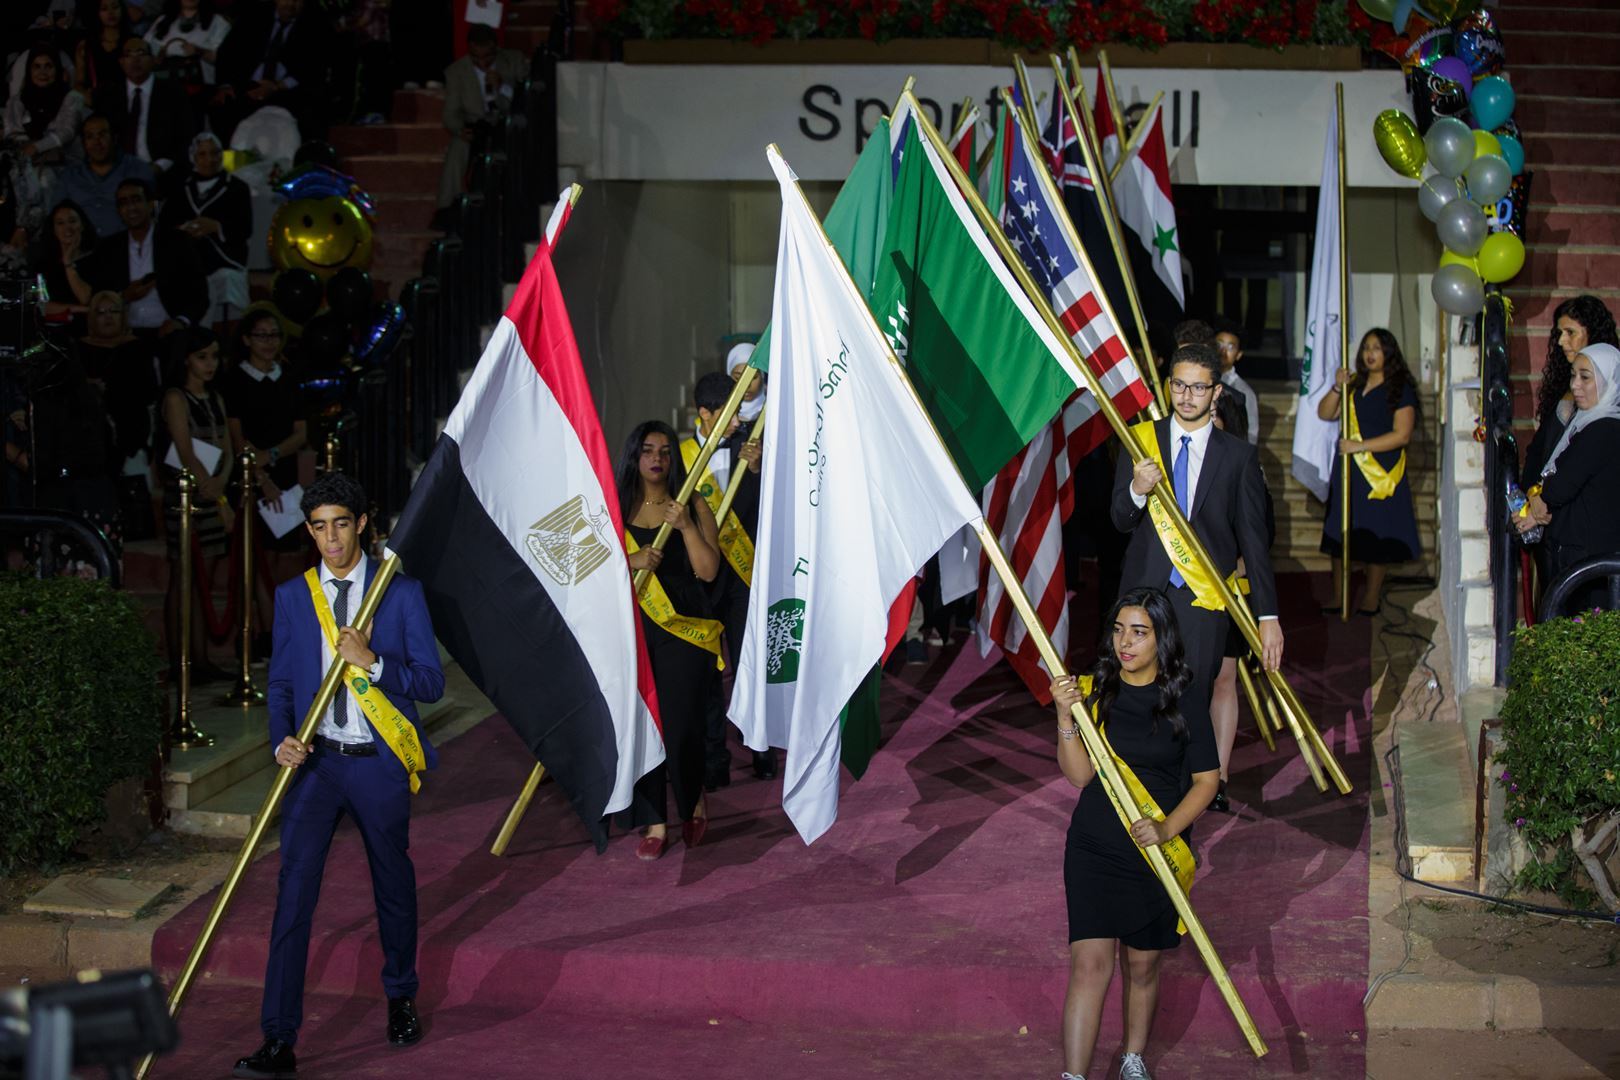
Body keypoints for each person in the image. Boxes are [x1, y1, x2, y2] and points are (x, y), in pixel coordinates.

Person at [232, 472, 443, 1079]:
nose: (330, 539)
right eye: (319, 527)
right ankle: (279, 1037)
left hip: (377, 763)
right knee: (292, 896)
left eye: (341, 524)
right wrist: (282, 742)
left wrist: (374, 663)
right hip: (317, 765)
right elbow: (279, 686)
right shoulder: (294, 596)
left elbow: (430, 683)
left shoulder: (398, 595)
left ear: (363, 525)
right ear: (309, 531)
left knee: (393, 886)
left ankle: (401, 996)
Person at [1049, 587, 1219, 1080]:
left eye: (1139, 632)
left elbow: (1208, 781)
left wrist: (1166, 828)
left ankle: (1133, 1059)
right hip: (1094, 847)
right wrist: (1065, 718)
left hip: (1155, 851)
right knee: (1089, 966)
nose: (1125, 642)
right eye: (1119, 630)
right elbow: (1080, 776)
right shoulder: (1095, 692)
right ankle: (1074, 1076)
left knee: (1143, 966)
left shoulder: (1185, 698)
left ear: (1161, 639)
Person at [1111, 341, 1282, 708]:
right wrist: (1137, 491)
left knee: (1192, 706)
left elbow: (1254, 541)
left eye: (1198, 387)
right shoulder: (1140, 441)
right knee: (1137, 704)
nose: (1187, 396)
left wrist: (1267, 615)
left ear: (1216, 391)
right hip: (1143, 594)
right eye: (1178, 385)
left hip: (1203, 600)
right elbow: (1120, 520)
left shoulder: (1238, 456)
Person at [615, 420, 723, 860]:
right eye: (647, 450)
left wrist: (686, 528)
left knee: (680, 725)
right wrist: (632, 559)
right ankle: (654, 818)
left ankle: (693, 799)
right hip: (634, 631)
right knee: (643, 725)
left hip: (684, 631)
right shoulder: (614, 506)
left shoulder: (692, 503)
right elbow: (592, 573)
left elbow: (710, 570)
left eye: (664, 451)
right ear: (634, 457)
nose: (656, 458)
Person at [682, 371, 767, 788]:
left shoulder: (749, 449)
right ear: (705, 414)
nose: (738, 422)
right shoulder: (678, 457)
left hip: (741, 576)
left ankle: (761, 747)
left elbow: (767, 508)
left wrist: (756, 471)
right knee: (706, 674)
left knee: (749, 664)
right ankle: (714, 758)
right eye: (730, 415)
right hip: (699, 580)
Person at [1317, 328, 1421, 616]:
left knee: (1378, 536)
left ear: (1389, 352)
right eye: (1366, 348)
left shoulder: (1400, 388)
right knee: (1341, 533)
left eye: (1376, 347)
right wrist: (1338, 387)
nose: (1370, 353)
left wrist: (1359, 447)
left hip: (1380, 474)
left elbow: (1402, 435)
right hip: (1349, 470)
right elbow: (1325, 414)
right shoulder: (1354, 385)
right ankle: (1339, 597)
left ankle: (1371, 598)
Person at [1207, 388, 1273, 812]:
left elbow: (1261, 538)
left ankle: (1219, 777)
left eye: (1214, 412)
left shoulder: (1244, 466)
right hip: (1181, 591)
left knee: (1223, 680)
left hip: (1228, 590)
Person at [1516, 344, 1620, 613]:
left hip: (1589, 557)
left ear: (1609, 381)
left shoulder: (1605, 428)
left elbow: (1562, 485)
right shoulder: (1585, 420)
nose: (1575, 385)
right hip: (1574, 553)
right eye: (1573, 375)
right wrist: (1537, 499)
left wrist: (1540, 503)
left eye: (1586, 377)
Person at [158, 325, 234, 681]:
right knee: (184, 575)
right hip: (187, 495)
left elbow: (228, 449)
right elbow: (184, 449)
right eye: (202, 357)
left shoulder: (216, 398)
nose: (210, 364)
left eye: (215, 357)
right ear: (186, 359)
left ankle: (200, 657)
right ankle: (180, 658)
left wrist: (221, 484)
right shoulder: (176, 397)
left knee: (204, 577)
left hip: (213, 491)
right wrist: (211, 488)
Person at [225, 307, 308, 594]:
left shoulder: (287, 375)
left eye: (274, 335)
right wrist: (261, 477)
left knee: (279, 556)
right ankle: (258, 629)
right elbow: (237, 437)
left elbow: (301, 432)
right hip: (250, 477)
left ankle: (273, 626)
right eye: (261, 335)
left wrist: (272, 454)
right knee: (254, 555)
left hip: (284, 471)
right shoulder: (234, 379)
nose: (269, 341)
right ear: (247, 340)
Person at [82, 176, 208, 334]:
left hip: (170, 331)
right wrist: (124, 297)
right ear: (119, 210)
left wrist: (180, 322)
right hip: (125, 335)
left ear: (150, 204)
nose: (131, 208)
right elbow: (99, 298)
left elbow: (199, 294)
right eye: (124, 203)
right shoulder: (108, 248)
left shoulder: (177, 241)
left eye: (136, 200)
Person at [159, 131, 252, 323]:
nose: (209, 159)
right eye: (202, 154)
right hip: (188, 258)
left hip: (222, 258)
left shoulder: (237, 188)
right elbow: (165, 224)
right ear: (193, 157)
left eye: (215, 153)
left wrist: (216, 226)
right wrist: (184, 229)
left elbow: (244, 228)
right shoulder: (180, 189)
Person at [1523, 295, 1618, 482]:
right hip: (1544, 496)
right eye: (1560, 333)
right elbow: (1540, 447)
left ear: (1593, 332)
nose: (1561, 341)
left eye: (1570, 332)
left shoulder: (1614, 388)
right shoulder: (1562, 383)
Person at [211, 0, 333, 143]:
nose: (290, 5)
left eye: (297, 0)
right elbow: (227, 53)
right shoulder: (254, 16)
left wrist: (276, 86)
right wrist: (226, 85)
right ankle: (230, 160)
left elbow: (314, 68)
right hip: (248, 85)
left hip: (287, 90)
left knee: (312, 110)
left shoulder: (315, 24)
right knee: (221, 105)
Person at [435, 24, 525, 213]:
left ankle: (520, 204)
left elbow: (527, 99)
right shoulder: (457, 72)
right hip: (477, 126)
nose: (482, 63)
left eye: (487, 57)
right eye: (476, 58)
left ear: (496, 49)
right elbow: (450, 113)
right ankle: (447, 208)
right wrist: (460, 129)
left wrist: (503, 86)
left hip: (507, 124)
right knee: (458, 147)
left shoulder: (513, 62)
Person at [92, 36, 196, 182]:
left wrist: (160, 166)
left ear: (153, 59)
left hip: (164, 171)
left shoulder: (173, 93)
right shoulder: (108, 96)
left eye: (141, 53)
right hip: (118, 172)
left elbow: (186, 136)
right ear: (121, 62)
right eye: (129, 55)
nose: (135, 60)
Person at [77, 289, 158, 467]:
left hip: (130, 422)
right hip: (88, 426)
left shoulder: (138, 347)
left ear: (123, 316)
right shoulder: (77, 348)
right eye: (101, 312)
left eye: (114, 311)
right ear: (91, 317)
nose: (108, 317)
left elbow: (149, 390)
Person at [56, 112, 154, 235]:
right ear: (84, 143)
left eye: (102, 135)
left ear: (114, 138)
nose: (97, 142)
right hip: (83, 249)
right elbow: (56, 218)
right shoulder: (69, 176)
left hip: (124, 247)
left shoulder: (138, 170)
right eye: (90, 137)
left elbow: (150, 215)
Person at [4, 46, 86, 168]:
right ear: (29, 71)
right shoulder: (16, 101)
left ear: (58, 69)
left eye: (48, 66)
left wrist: (37, 147)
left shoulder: (74, 97)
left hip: (67, 168)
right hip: (27, 167)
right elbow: (12, 133)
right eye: (36, 66)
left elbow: (67, 132)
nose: (42, 72)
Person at [144, 0, 232, 88]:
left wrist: (199, 51)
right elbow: (145, 47)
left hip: (201, 85)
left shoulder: (218, 22)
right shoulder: (163, 19)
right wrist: (157, 57)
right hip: (164, 84)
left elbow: (224, 59)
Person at [32, 199, 97, 318]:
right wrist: (78, 309)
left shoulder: (96, 259)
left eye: (72, 221)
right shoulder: (44, 265)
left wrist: (68, 264)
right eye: (60, 223)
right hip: (54, 329)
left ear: (82, 225)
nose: (68, 227)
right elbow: (40, 305)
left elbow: (87, 298)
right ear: (54, 230)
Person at [1213, 317, 1258, 446]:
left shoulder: (1244, 391)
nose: (1223, 351)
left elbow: (1251, 435)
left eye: (1230, 347)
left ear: (1238, 354)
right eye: (1219, 344)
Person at [72, 0, 131, 98]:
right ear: (97, 13)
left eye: (115, 7)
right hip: (95, 100)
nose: (111, 12)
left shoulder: (133, 42)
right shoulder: (85, 46)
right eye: (104, 9)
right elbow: (79, 83)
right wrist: (87, 96)